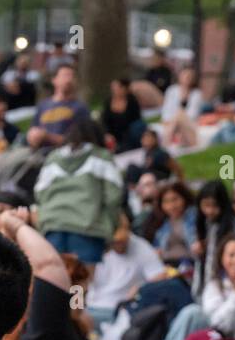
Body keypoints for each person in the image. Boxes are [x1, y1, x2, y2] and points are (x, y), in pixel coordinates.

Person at [4, 210, 103, 340]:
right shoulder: (48, 326)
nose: (81, 300)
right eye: (77, 292)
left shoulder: (71, 326)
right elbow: (47, 267)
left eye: (84, 294)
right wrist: (15, 226)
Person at [33, 116, 124, 274]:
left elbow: (39, 194)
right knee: (82, 288)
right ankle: (79, 300)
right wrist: (109, 226)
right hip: (88, 230)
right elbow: (114, 196)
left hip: (53, 228)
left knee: (59, 286)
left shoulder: (52, 159)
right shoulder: (102, 157)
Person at [86, 211, 166, 325]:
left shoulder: (141, 246)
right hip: (92, 308)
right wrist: (77, 310)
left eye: (122, 241)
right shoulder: (92, 247)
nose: (119, 245)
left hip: (123, 310)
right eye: (114, 242)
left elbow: (160, 275)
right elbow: (77, 283)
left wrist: (141, 287)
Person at [192, 180, 235, 293]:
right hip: (206, 282)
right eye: (206, 205)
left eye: (215, 206)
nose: (210, 211)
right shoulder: (204, 223)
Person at [27, 64, 92, 150]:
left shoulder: (80, 108)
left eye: (72, 76)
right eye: (65, 75)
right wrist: (32, 138)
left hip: (64, 154)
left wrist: (49, 137)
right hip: (39, 153)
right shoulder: (43, 105)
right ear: (54, 80)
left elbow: (82, 141)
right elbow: (33, 131)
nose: (69, 79)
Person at [151, 180, 199, 270]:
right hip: (167, 266)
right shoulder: (162, 224)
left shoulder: (194, 216)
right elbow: (156, 248)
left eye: (175, 199)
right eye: (166, 202)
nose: (171, 206)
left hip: (189, 265)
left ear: (184, 198)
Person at [160, 67, 204, 149]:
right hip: (172, 123)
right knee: (177, 116)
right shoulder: (172, 90)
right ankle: (166, 145)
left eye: (190, 76)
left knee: (180, 114)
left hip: (188, 123)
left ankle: (165, 145)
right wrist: (174, 120)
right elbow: (166, 111)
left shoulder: (196, 94)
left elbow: (193, 115)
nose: (187, 78)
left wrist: (179, 116)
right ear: (179, 76)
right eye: (185, 75)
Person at [99, 77, 142, 154]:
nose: (114, 90)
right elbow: (104, 120)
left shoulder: (132, 101)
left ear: (124, 88)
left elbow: (137, 120)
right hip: (113, 135)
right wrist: (107, 134)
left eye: (116, 87)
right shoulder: (108, 102)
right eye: (112, 87)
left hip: (128, 134)